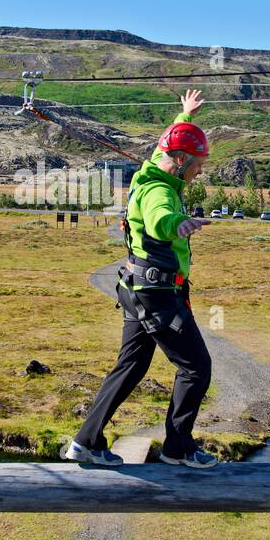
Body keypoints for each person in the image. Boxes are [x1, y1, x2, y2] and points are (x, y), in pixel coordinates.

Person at [66, 89, 217, 469]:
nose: (199, 171)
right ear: (181, 161)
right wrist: (179, 224)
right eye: (197, 163)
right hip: (159, 296)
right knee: (196, 368)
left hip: (136, 289)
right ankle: (178, 448)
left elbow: (165, 147)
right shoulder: (158, 192)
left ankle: (86, 441)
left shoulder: (153, 170)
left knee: (130, 366)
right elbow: (159, 219)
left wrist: (186, 118)